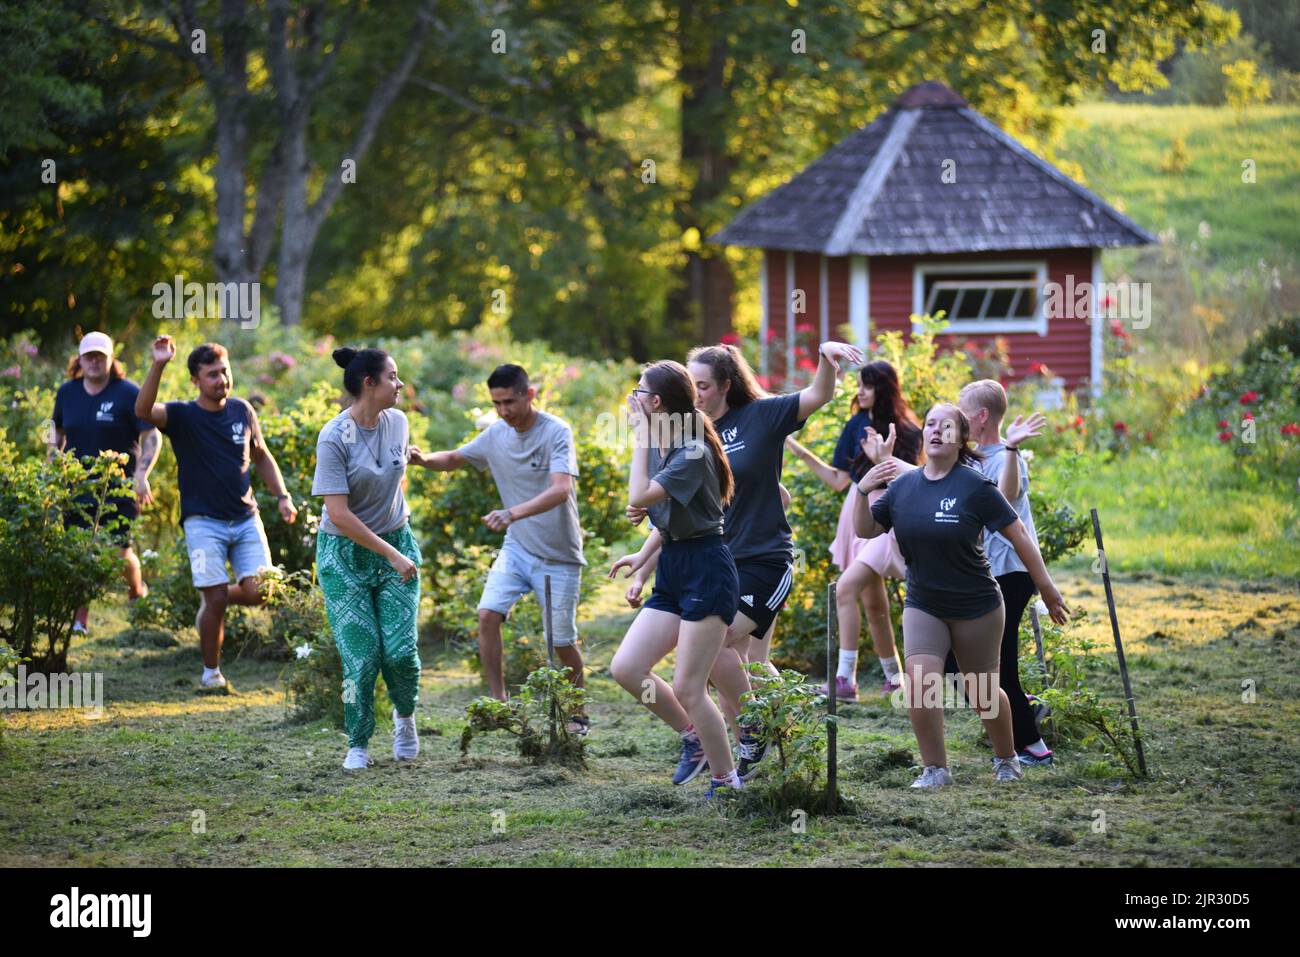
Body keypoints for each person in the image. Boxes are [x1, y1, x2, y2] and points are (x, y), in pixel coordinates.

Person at [624, 339, 863, 780]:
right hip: (709, 561)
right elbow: (678, 511)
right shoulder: (685, 435)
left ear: (726, 386)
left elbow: (819, 396)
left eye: (703, 385)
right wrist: (644, 559)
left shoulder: (761, 416)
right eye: (689, 384)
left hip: (762, 558)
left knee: (719, 649)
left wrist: (826, 357)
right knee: (745, 662)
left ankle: (753, 732)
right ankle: (762, 740)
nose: (695, 394)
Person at [853, 402, 1069, 788]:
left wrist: (1048, 590)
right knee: (919, 684)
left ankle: (1006, 758)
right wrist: (862, 489)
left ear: (961, 438)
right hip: (924, 602)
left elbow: (1018, 535)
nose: (936, 431)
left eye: (947, 426)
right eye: (930, 424)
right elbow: (866, 530)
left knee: (984, 690)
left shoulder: (974, 485)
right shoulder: (904, 487)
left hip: (977, 605)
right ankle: (935, 769)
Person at [409, 364, 588, 733]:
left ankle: (576, 713)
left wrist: (512, 512)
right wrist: (424, 459)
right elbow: (457, 458)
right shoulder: (495, 434)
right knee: (487, 615)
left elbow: (561, 489)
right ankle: (500, 703)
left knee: (562, 641)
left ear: (530, 394)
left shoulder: (556, 431)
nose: (504, 411)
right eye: (496, 404)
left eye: (509, 401)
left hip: (559, 555)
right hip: (518, 548)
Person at [608, 360, 741, 798]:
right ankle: (693, 737)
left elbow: (639, 497)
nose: (633, 399)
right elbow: (664, 520)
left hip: (707, 568)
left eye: (638, 392)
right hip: (676, 566)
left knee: (688, 685)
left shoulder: (691, 451)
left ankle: (726, 780)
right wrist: (642, 558)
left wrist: (639, 440)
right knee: (626, 668)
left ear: (656, 402)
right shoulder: (664, 444)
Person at [135, 336, 298, 690]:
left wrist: (282, 496)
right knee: (216, 601)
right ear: (195, 380)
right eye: (212, 375)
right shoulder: (181, 415)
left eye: (224, 372)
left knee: (261, 591)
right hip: (203, 522)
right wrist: (159, 364)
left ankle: (213, 592)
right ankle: (211, 673)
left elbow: (261, 456)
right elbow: (143, 411)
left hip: (245, 517)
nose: (221, 380)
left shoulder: (242, 410)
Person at [786, 359, 922, 701]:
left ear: (884, 388)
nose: (859, 391)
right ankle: (894, 679)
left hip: (888, 514)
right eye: (858, 384)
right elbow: (836, 480)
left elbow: (911, 481)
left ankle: (844, 680)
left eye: (867, 385)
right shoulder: (856, 425)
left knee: (845, 590)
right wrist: (798, 449)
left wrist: (881, 460)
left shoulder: (906, 429)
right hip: (857, 509)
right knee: (873, 604)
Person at [313, 347, 423, 770]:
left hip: (396, 544)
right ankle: (357, 742)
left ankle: (405, 717)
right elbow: (339, 513)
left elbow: (395, 477)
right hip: (344, 555)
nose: (400, 385)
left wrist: (396, 543)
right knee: (361, 655)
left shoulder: (399, 422)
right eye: (393, 377)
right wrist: (392, 554)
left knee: (399, 651)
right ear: (369, 384)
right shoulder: (333, 437)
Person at [956, 379, 1055, 765]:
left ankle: (1033, 746)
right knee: (954, 665)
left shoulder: (1008, 459)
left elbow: (1005, 495)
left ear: (981, 416)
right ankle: (1023, 710)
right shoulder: (968, 460)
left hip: (1011, 575)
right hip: (980, 575)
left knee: (1001, 664)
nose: (958, 418)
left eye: (963, 410)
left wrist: (1012, 448)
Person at [50, 332, 161, 633]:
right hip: (78, 487)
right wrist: (53, 469)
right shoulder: (67, 393)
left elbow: (151, 434)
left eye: (101, 355)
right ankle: (79, 621)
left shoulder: (127, 392)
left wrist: (141, 475)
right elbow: (56, 433)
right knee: (79, 551)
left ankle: (137, 591)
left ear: (112, 358)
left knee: (118, 552)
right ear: (80, 359)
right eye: (90, 356)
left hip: (119, 488)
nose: (95, 361)